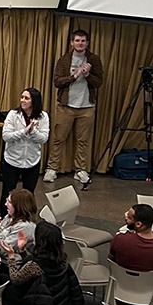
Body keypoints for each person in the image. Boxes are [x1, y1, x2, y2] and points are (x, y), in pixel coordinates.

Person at [0, 221, 89, 305]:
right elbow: (75, 290)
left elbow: (16, 278)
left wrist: (11, 256)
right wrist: (23, 252)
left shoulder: (35, 266)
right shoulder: (61, 261)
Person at [46, 28, 103, 188]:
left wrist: (87, 75)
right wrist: (74, 76)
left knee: (83, 141)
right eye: (77, 40)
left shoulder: (94, 60)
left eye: (83, 40)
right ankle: (52, 168)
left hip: (87, 107)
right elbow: (57, 82)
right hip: (66, 107)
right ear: (72, 42)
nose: (80, 43)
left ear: (87, 43)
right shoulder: (64, 60)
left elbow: (99, 82)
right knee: (59, 138)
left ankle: (81, 170)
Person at [0, 88, 49, 210]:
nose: (23, 100)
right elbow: (6, 136)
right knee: (7, 192)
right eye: (22, 97)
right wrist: (24, 131)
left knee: (28, 194)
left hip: (32, 161)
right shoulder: (13, 114)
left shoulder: (43, 116)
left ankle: (26, 219)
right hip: (12, 160)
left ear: (34, 101)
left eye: (27, 98)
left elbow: (43, 138)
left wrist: (33, 131)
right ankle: (5, 218)